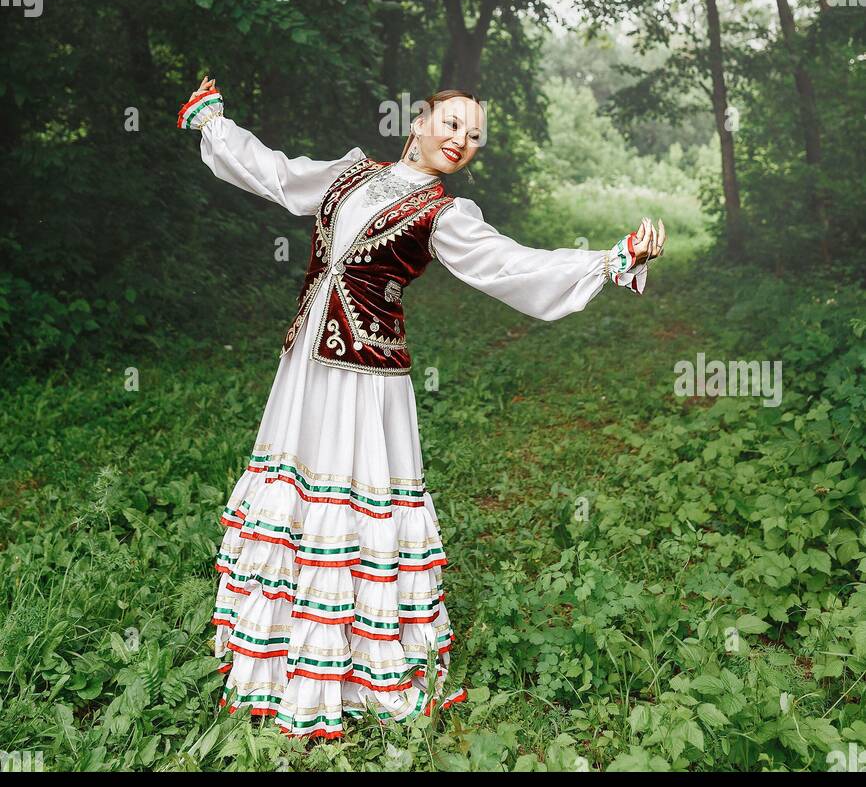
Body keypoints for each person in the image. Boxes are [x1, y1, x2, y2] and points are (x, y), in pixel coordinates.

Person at [177, 76, 665, 740]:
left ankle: (356, 670)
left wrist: (613, 259)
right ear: (420, 121)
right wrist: (213, 124)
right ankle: (276, 653)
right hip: (305, 365)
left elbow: (513, 266)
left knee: (351, 500)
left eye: (474, 135)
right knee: (295, 490)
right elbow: (277, 175)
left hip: (367, 374)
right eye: (453, 123)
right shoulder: (349, 174)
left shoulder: (445, 214)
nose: (462, 140)